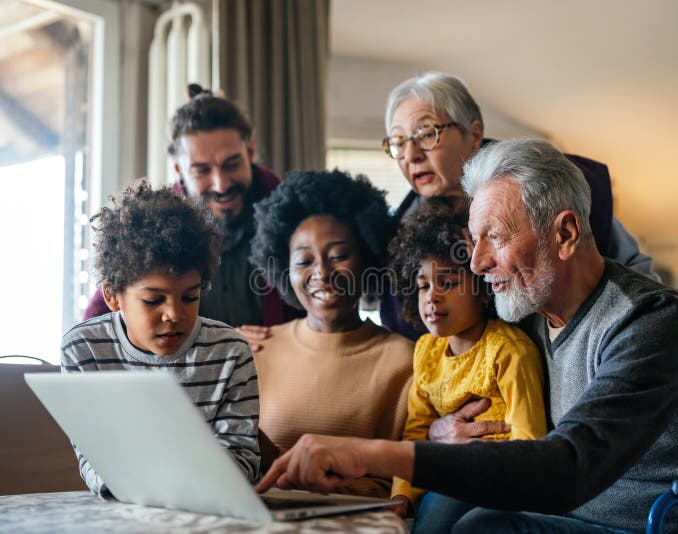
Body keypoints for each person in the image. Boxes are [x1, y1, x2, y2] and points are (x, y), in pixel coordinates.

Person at [256, 139, 678, 533]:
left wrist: (366, 452)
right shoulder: (526, 314)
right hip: (574, 517)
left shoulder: (650, 320)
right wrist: (437, 434)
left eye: (496, 236)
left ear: (565, 233)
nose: (477, 263)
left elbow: (569, 467)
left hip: (663, 523)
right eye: (475, 241)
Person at [379, 71, 656, 340]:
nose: (411, 155)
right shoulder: (402, 232)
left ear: (474, 134)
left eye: (427, 134)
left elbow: (638, 280)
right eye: (398, 142)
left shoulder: (543, 184)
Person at [61, 180, 260, 498]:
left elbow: (243, 459)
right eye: (154, 300)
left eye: (190, 297)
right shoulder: (85, 349)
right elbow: (94, 458)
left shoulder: (229, 353)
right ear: (113, 296)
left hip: (209, 507)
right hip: (124, 507)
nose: (174, 315)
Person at [83, 85, 297, 350]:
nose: (220, 184)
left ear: (250, 152)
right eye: (201, 171)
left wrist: (283, 338)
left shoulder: (294, 219)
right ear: (178, 170)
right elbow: (95, 325)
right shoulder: (153, 228)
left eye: (232, 164)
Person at [248, 170, 414, 497]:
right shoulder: (257, 350)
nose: (322, 273)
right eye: (304, 261)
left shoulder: (404, 359)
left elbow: (408, 480)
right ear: (284, 270)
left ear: (368, 258)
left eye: (338, 256)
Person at [388, 203, 547, 529]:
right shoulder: (426, 351)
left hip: (499, 484)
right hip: (447, 473)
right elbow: (417, 430)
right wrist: (401, 494)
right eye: (423, 285)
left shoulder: (509, 351)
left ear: (484, 291)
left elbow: (531, 443)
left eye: (447, 282)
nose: (431, 297)